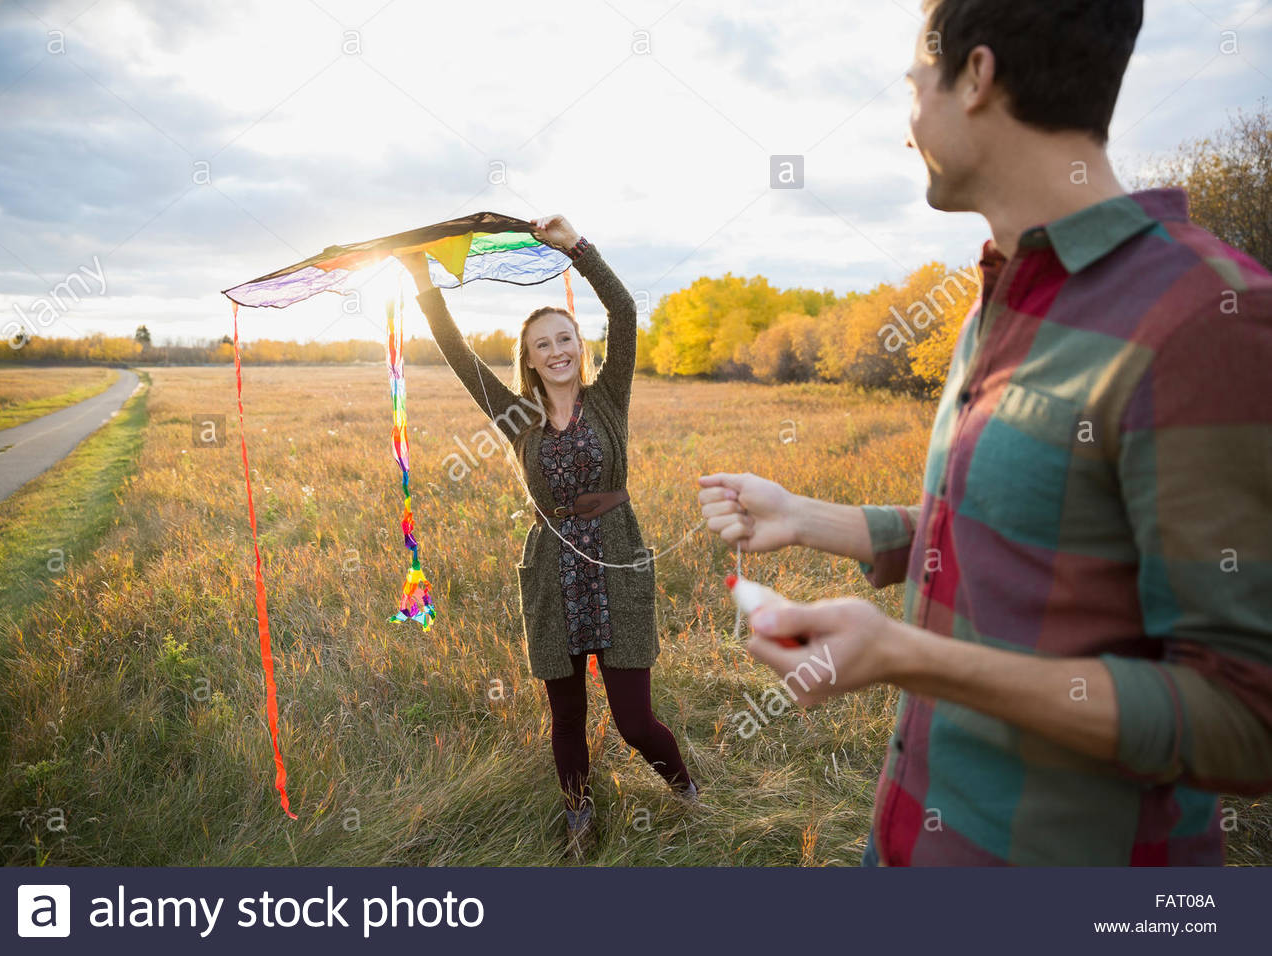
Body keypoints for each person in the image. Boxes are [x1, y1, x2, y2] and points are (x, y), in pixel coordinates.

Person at [700, 0, 1272, 866]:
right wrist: (806, 517)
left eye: (911, 84)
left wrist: (906, 658)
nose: (905, 127)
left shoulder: (1206, 319)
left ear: (976, 76)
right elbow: (1009, 530)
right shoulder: (1001, 295)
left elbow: (1246, 719)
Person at [403, 215, 696, 859]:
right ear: (529, 360)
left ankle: (688, 794)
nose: (558, 351)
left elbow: (622, 311)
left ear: (578, 347)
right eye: (543, 345)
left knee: (634, 719)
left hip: (617, 564)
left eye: (565, 339)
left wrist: (577, 248)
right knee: (565, 715)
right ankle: (578, 816)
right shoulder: (517, 417)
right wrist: (423, 281)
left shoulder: (610, 397)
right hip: (551, 574)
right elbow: (458, 355)